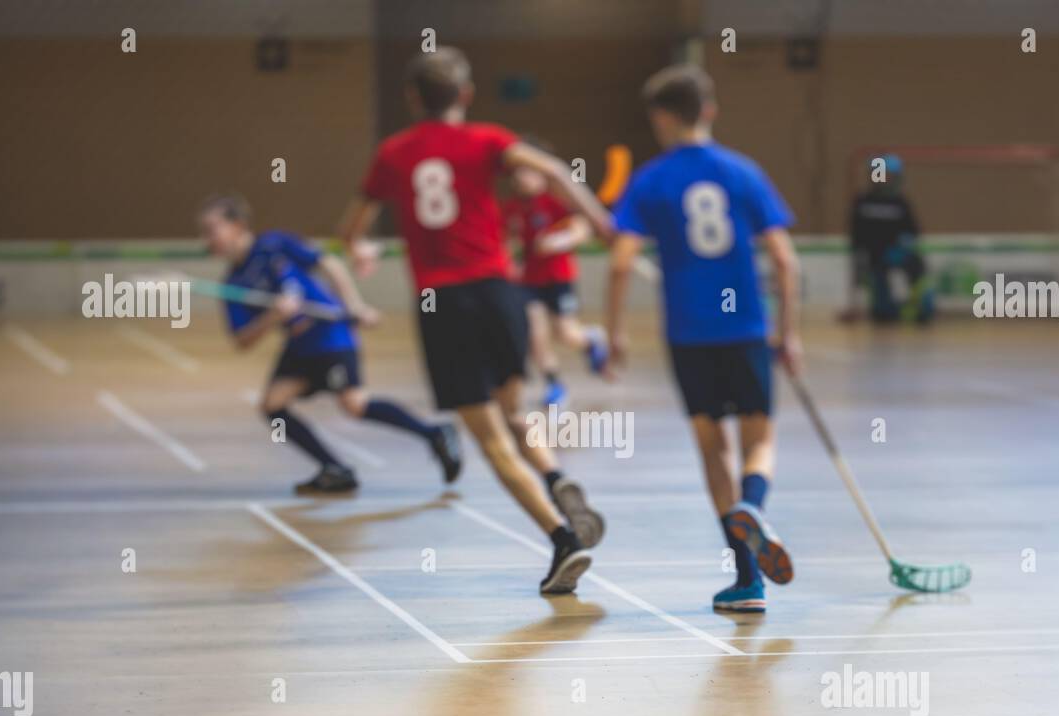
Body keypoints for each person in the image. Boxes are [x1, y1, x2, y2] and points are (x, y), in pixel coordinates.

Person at [338, 48, 614, 595]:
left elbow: (352, 227)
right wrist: (601, 222)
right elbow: (555, 170)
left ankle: (563, 539)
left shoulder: (393, 153)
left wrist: (362, 251)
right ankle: (558, 479)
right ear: (465, 95)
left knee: (490, 439)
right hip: (498, 293)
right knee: (514, 412)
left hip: (443, 301)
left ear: (412, 99)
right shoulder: (489, 140)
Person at [604, 64, 801, 613]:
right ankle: (756, 505)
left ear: (660, 117)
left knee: (713, 448)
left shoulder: (651, 180)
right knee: (759, 440)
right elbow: (785, 258)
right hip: (745, 330)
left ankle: (746, 580)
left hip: (689, 334)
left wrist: (615, 334)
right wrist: (789, 333)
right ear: (710, 110)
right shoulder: (743, 172)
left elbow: (621, 263)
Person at [198, 193, 461, 494]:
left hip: (330, 334)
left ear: (238, 225)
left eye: (212, 229)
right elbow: (241, 341)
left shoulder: (275, 245)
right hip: (298, 344)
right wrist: (273, 316)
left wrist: (355, 306)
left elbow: (329, 263)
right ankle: (334, 468)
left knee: (355, 404)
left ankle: (435, 433)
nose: (208, 239)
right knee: (273, 404)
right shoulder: (233, 283)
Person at [501, 137, 608, 409]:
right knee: (534, 332)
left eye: (528, 171)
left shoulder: (556, 201)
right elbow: (508, 240)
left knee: (566, 333)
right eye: (517, 173)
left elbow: (580, 230)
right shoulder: (511, 207)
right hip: (527, 282)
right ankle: (553, 384)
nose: (521, 178)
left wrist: (557, 242)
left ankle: (590, 340)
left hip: (558, 277)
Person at [848, 154, 934, 324]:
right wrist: (859, 255)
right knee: (878, 276)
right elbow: (856, 233)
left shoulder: (899, 202)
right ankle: (884, 311)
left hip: (898, 251)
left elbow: (913, 231)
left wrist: (905, 245)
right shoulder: (863, 201)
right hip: (874, 254)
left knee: (918, 269)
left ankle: (921, 308)